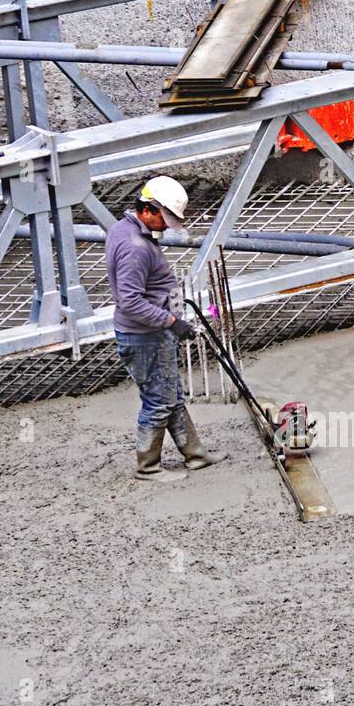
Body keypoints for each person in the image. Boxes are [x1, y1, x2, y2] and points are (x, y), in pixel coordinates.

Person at [105, 176, 225, 481]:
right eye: (164, 218)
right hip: (145, 337)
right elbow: (129, 302)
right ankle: (148, 467)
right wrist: (171, 321)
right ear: (147, 210)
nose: (166, 226)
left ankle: (195, 456)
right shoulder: (135, 247)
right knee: (158, 401)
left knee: (171, 394)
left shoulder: (127, 230)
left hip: (152, 333)